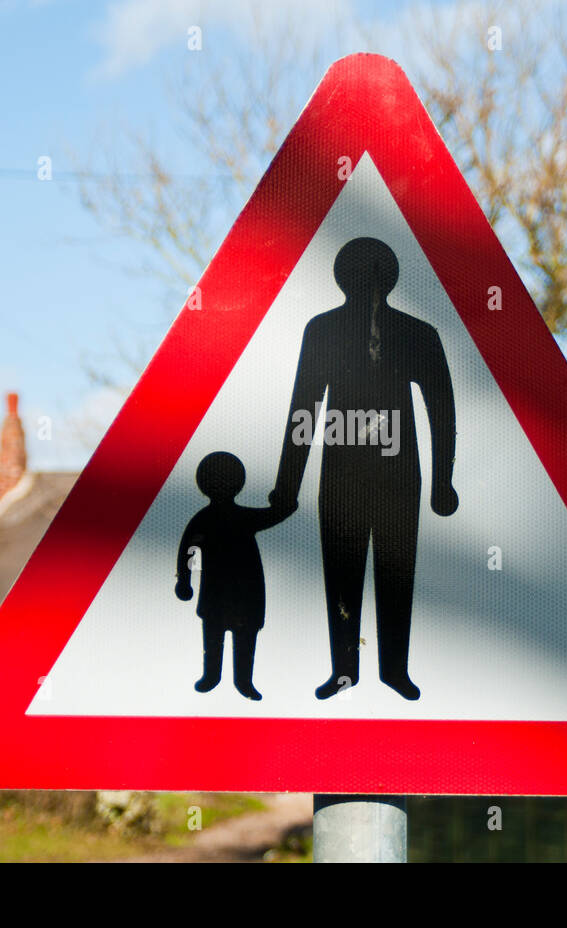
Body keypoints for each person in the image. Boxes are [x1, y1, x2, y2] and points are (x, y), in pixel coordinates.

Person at [269, 237, 457, 701]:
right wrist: (286, 485)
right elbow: (304, 410)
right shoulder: (323, 331)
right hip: (341, 478)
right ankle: (344, 670)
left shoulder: (417, 333)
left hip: (397, 478)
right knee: (343, 574)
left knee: (397, 571)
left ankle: (394, 670)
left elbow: (441, 410)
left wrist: (443, 481)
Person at [176, 451, 290, 700]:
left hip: (244, 593)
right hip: (219, 593)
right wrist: (185, 581)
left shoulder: (236, 517)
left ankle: (243, 681)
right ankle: (212, 676)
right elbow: (191, 551)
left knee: (244, 636)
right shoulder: (207, 520)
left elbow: (274, 516)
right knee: (215, 635)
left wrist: (285, 504)